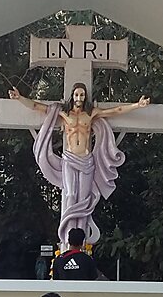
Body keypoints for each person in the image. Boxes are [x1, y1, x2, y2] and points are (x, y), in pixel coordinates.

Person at [9, 83, 149, 245]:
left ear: (85, 97)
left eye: (82, 95)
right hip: (69, 159)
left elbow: (115, 111)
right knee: (70, 195)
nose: (79, 98)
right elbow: (36, 106)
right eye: (76, 95)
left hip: (86, 160)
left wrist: (137, 105)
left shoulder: (90, 114)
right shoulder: (62, 113)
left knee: (84, 198)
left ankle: (80, 240)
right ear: (72, 95)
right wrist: (19, 98)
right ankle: (67, 239)